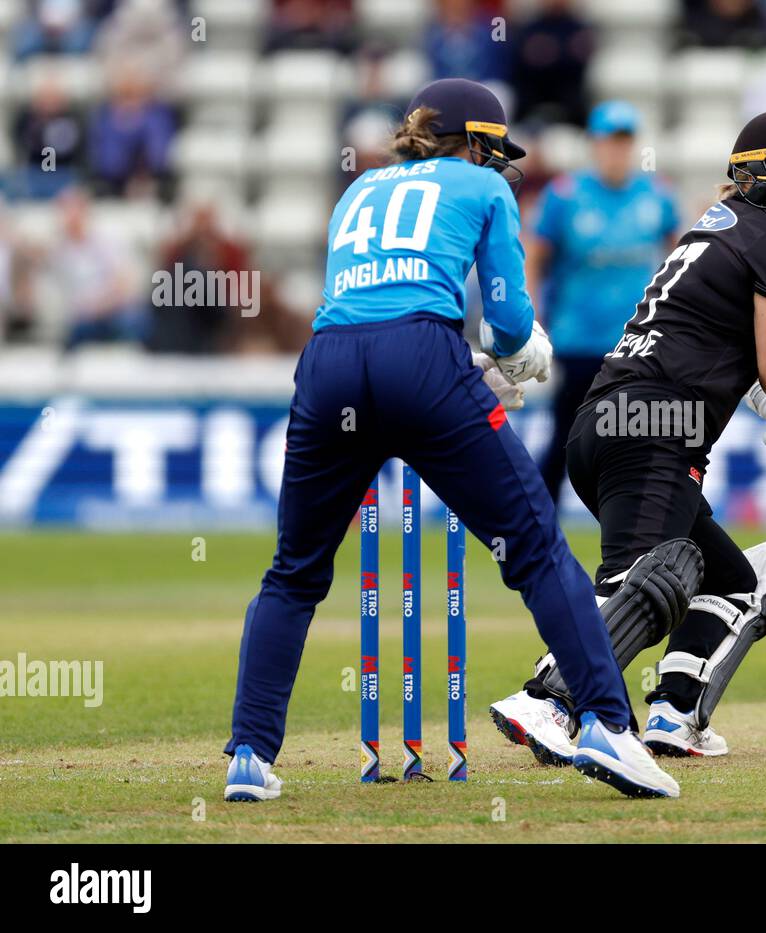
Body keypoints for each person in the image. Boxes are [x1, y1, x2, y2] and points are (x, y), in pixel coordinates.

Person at [223, 78, 682, 802]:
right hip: (422, 363)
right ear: (471, 141)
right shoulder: (481, 186)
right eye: (492, 150)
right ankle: (603, 723)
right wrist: (516, 348)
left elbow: (368, 300)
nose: (498, 165)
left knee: (294, 570)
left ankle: (248, 755)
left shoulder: (359, 190)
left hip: (330, 362)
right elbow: (503, 316)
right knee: (535, 545)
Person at [490, 110, 766, 761]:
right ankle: (548, 697)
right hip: (658, 432)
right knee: (638, 578)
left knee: (740, 579)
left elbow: (718, 352)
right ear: (757, 176)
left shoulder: (715, 229)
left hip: (602, 425)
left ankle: (674, 711)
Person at [530, 101, 679, 502]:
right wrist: (532, 315)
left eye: (624, 142)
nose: (617, 151)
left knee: (636, 437)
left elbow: (681, 257)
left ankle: (637, 529)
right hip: (579, 337)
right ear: (594, 145)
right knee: (569, 435)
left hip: (635, 341)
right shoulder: (565, 196)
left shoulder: (655, 194)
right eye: (609, 142)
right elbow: (534, 255)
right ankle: (543, 525)